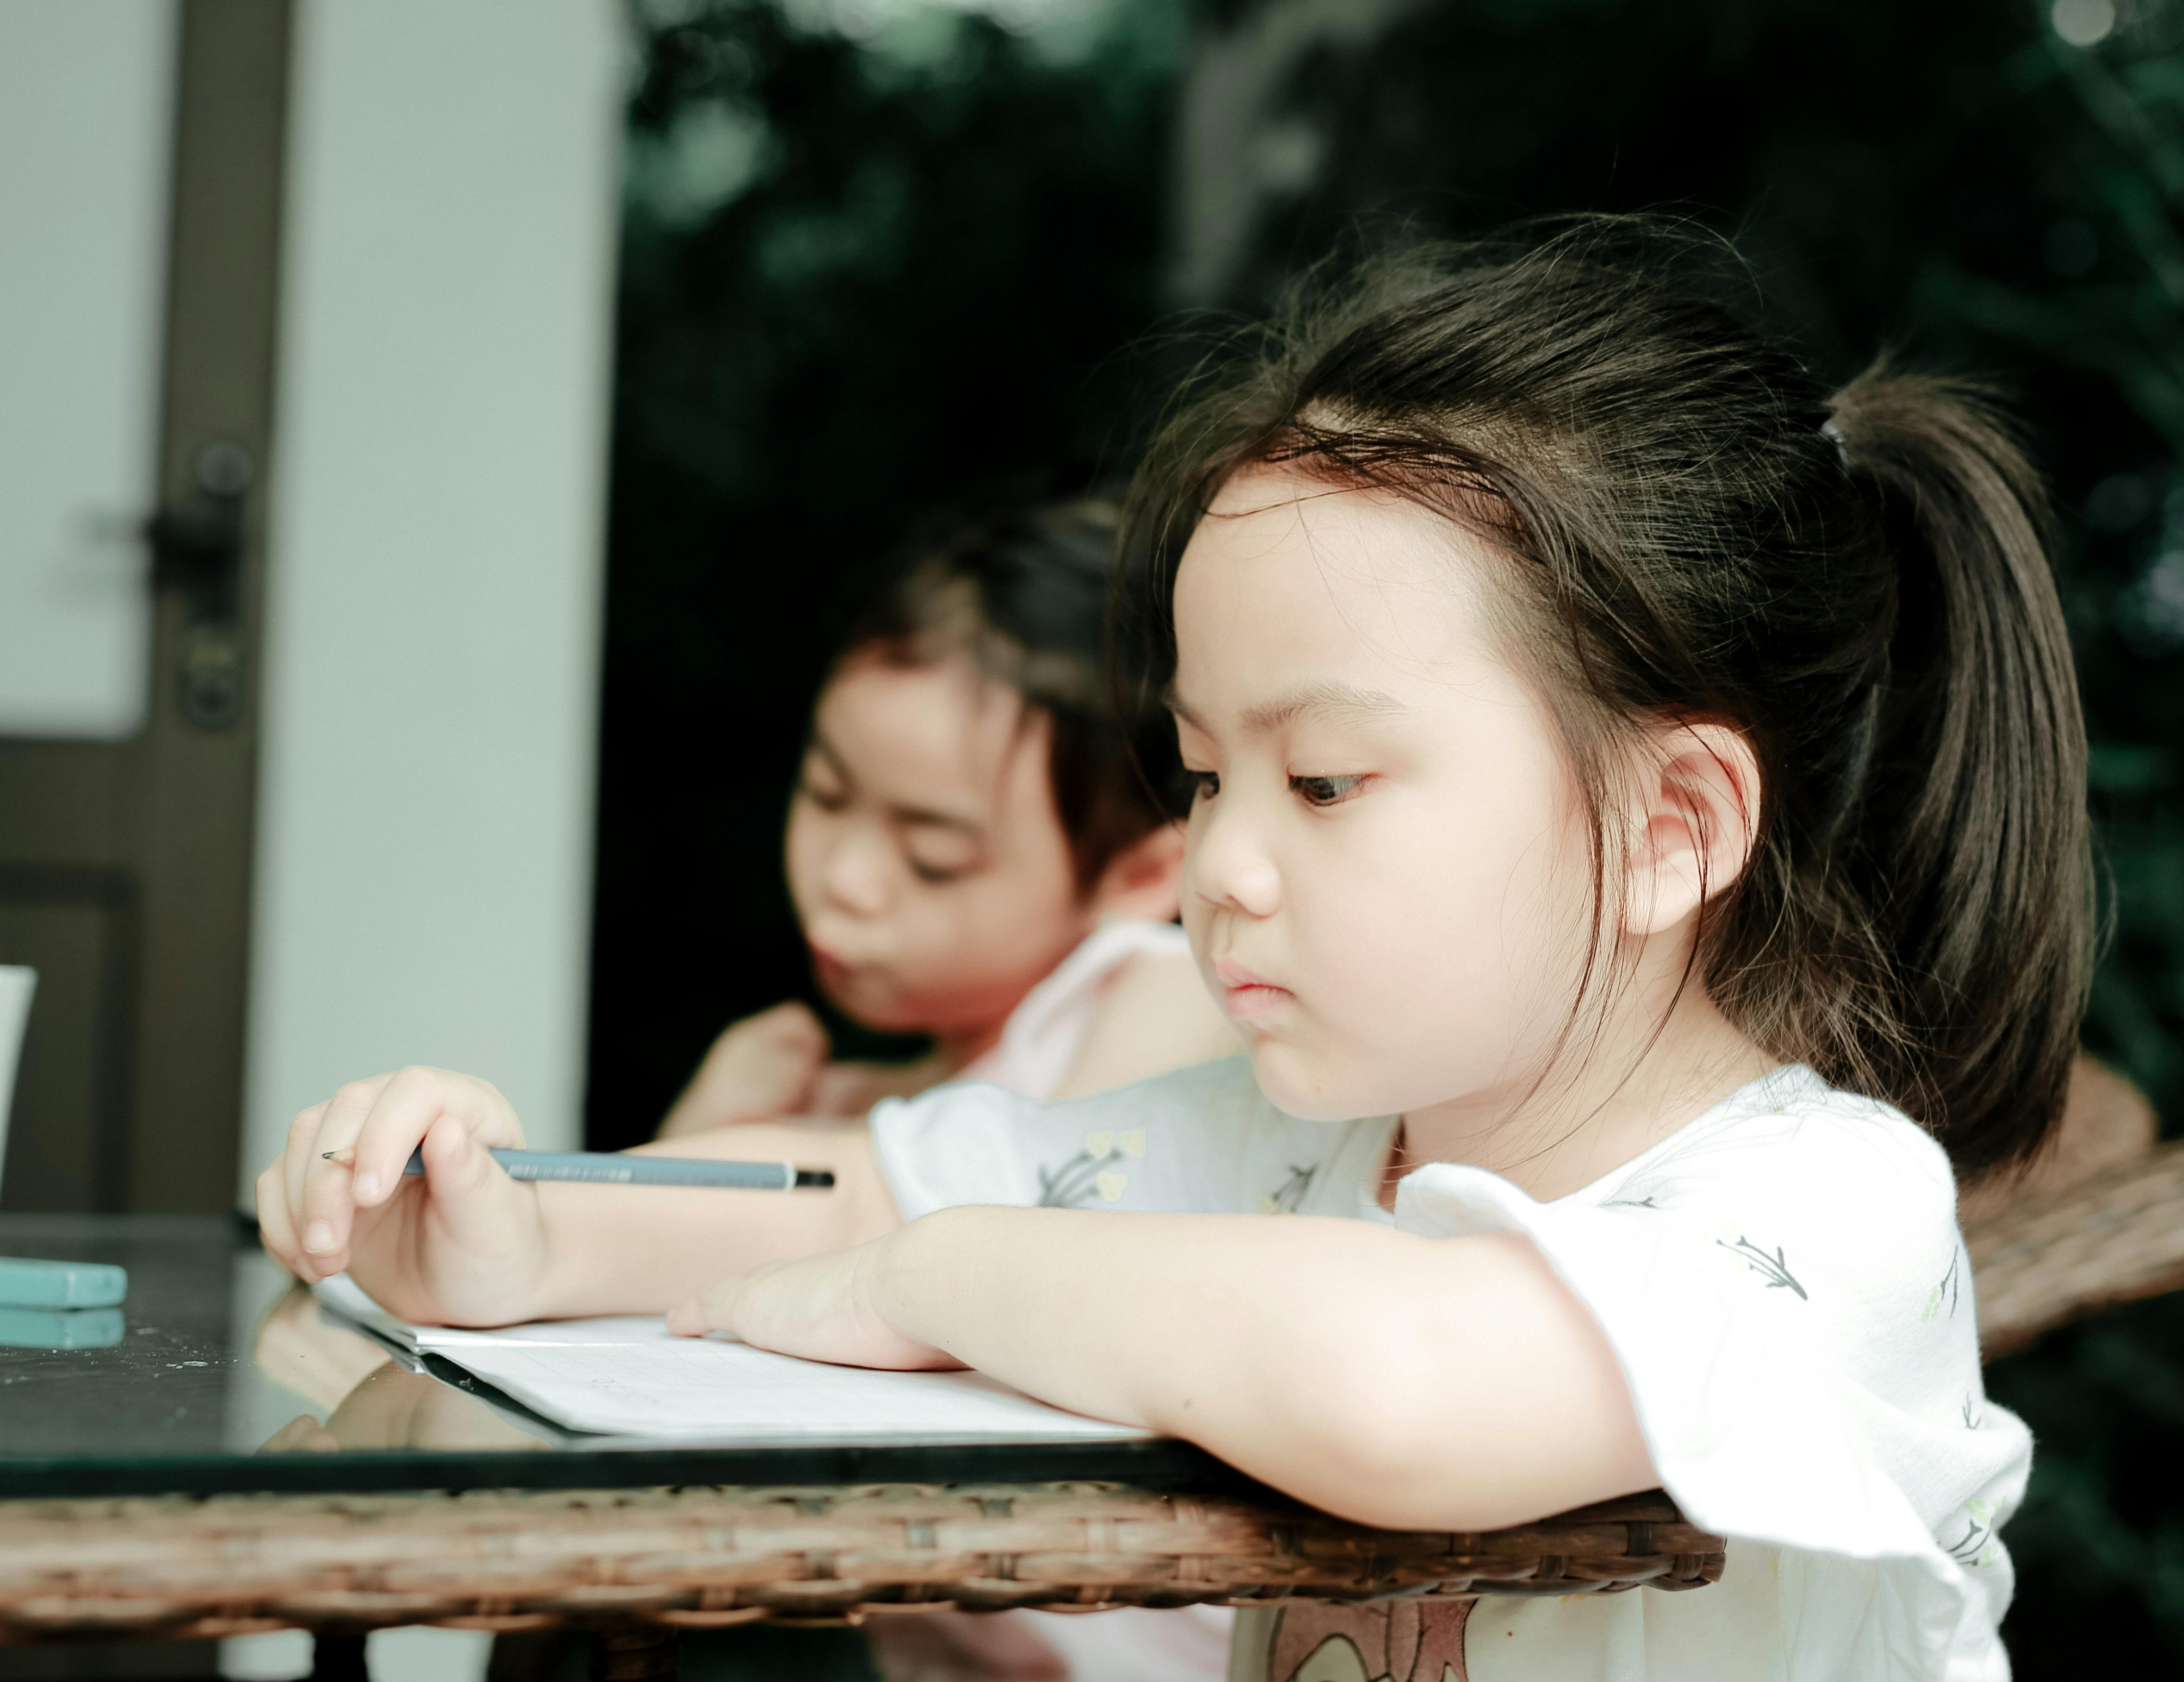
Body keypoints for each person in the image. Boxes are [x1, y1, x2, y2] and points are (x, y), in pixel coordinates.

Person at [259, 224, 2091, 1681]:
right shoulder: (1264, 1144)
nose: (1222, 864)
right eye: (1208, 775)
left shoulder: (1820, 1221)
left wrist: (948, 1273)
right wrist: (521, 1236)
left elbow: (1400, 1387)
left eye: (1324, 778)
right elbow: (836, 1195)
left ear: (1674, 827)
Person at [658, 496, 1241, 1141]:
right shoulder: (849, 1108)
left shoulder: (1164, 1010)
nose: (846, 878)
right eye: (826, 793)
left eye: (933, 859)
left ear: (1141, 875)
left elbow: (1034, 1207)